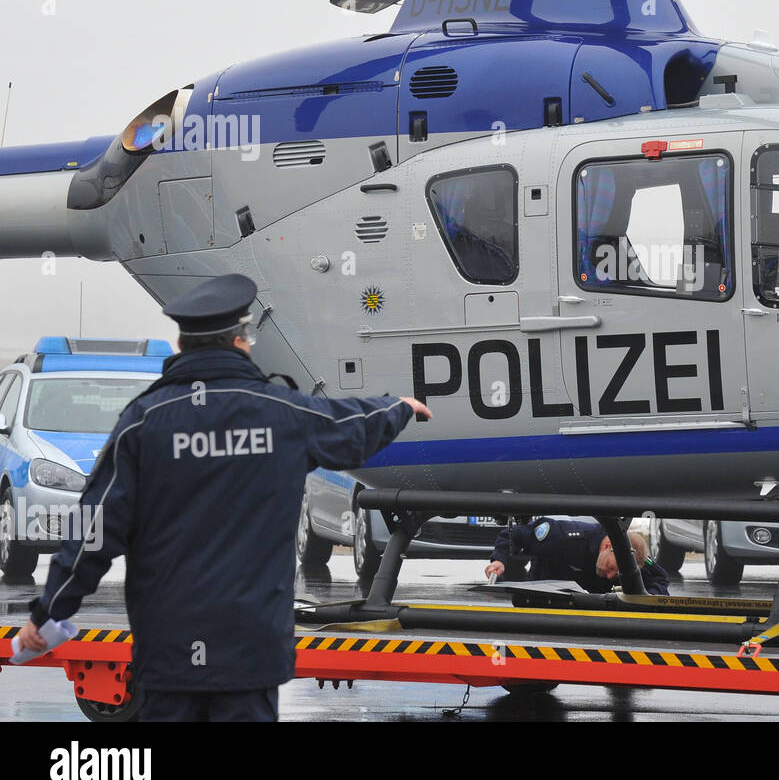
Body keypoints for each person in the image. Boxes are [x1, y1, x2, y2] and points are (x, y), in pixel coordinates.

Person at [16, 273, 431, 721]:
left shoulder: (144, 423)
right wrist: (400, 409)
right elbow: (351, 426)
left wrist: (48, 613)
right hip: (250, 652)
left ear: (182, 346)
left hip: (169, 651)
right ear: (241, 340)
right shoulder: (281, 412)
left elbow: (92, 534)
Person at [484, 517, 670, 595]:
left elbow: (660, 578)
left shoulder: (631, 553)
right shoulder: (565, 537)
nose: (612, 576)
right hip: (542, 602)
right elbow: (514, 534)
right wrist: (500, 560)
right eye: (612, 569)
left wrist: (646, 597)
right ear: (607, 546)